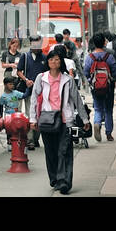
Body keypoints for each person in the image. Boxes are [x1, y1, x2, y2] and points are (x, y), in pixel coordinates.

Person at [28, 47, 89, 194]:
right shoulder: (41, 78)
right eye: (51, 59)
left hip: (64, 121)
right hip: (47, 120)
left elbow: (77, 100)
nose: (54, 62)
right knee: (51, 152)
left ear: (61, 62)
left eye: (57, 59)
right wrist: (32, 119)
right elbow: (34, 99)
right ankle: (55, 178)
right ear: (47, 62)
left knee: (64, 151)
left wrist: (85, 119)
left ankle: (64, 182)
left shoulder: (67, 80)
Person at [83, 34, 116, 143]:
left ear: (94, 43)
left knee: (98, 108)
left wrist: (92, 82)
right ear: (104, 42)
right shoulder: (109, 56)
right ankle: (109, 133)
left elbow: (86, 72)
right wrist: (112, 81)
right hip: (108, 87)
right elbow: (115, 71)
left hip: (96, 87)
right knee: (108, 110)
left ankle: (97, 123)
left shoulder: (90, 57)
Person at [16, 36, 50, 150]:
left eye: (39, 44)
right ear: (30, 44)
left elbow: (48, 74)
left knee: (39, 115)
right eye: (34, 45)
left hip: (42, 92)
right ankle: (30, 140)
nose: (37, 47)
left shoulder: (45, 58)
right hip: (29, 91)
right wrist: (26, 80)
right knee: (30, 115)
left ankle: (36, 139)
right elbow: (19, 71)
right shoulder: (25, 57)